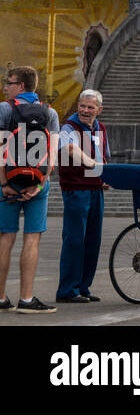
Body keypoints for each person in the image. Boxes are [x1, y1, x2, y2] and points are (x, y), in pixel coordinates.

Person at [0, 65, 60, 313]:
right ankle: (26, 299)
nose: (5, 87)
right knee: (32, 239)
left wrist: (4, 183)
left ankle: (1, 298)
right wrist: (40, 184)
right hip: (37, 184)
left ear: (21, 86)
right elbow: (52, 155)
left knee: (5, 238)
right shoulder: (51, 113)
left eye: (9, 82)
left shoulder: (4, 109)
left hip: (7, 183)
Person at [56, 89, 110, 304]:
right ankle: (68, 290)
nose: (85, 110)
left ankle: (83, 287)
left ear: (99, 110)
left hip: (96, 189)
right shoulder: (69, 126)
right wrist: (94, 165)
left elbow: (106, 156)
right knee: (75, 240)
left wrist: (106, 175)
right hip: (76, 189)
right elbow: (70, 149)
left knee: (93, 240)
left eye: (90, 107)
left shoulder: (101, 128)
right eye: (82, 106)